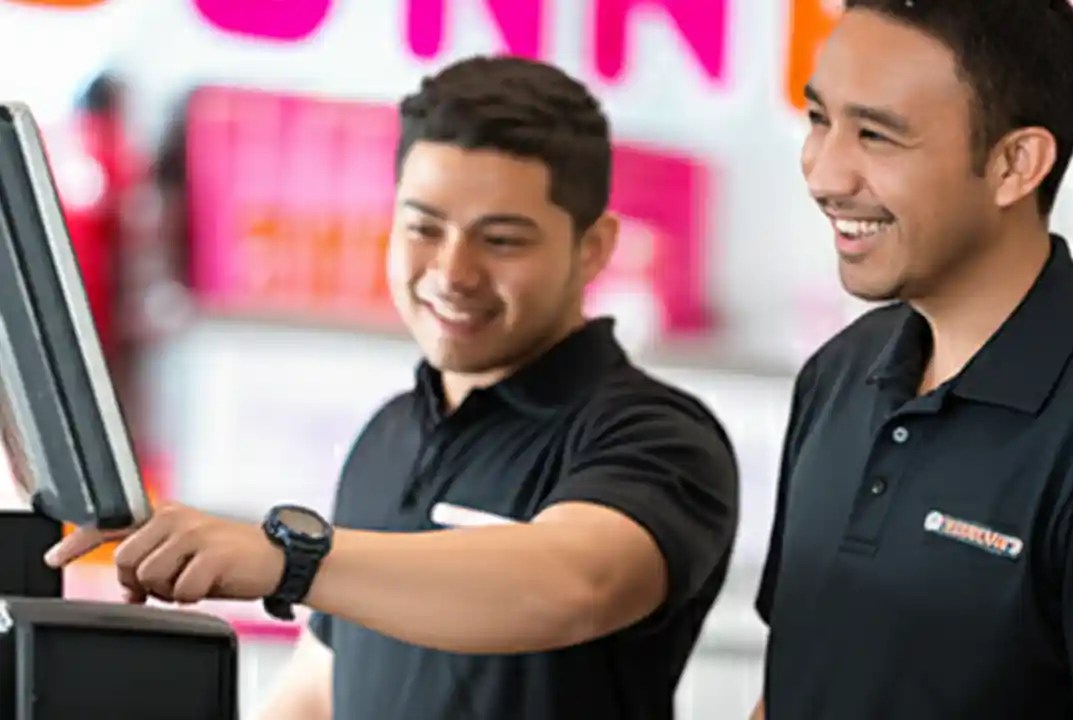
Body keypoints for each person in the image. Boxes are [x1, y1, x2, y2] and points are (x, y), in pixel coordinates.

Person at [46, 56, 740, 720]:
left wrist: (284, 559)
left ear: (593, 247)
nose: (453, 271)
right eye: (423, 227)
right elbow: (321, 691)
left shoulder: (657, 435)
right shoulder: (391, 432)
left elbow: (571, 585)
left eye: (501, 240)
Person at [750, 2, 1073, 719]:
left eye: (876, 136)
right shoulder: (837, 373)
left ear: (1015, 163)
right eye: (819, 120)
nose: (825, 173)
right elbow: (794, 681)